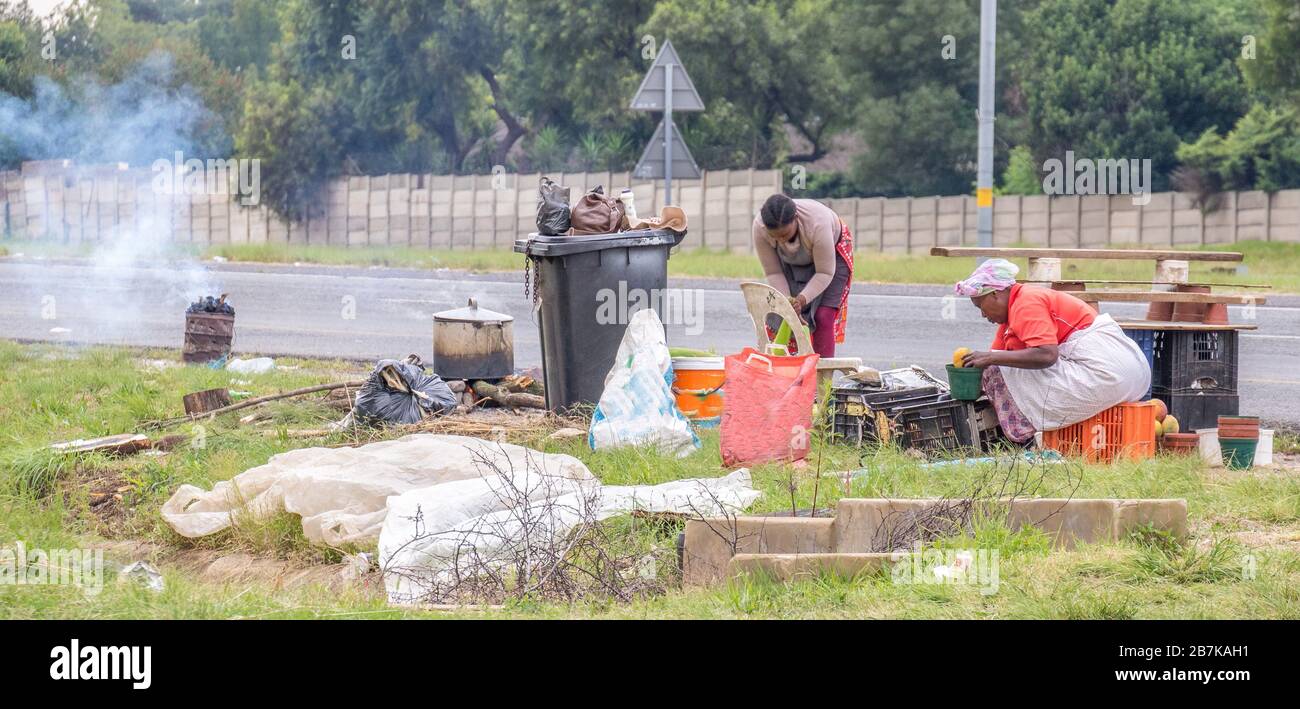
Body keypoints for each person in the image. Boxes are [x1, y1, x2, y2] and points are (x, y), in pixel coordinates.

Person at [955, 258, 1151, 443]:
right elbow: (999, 355)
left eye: (980, 305)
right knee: (995, 365)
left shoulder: (1026, 303)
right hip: (1135, 375)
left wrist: (988, 358)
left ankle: (1023, 439)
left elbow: (1047, 355)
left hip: (1108, 373)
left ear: (995, 294)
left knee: (994, 369)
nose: (982, 314)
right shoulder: (1017, 309)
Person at [753, 194, 854, 357]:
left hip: (832, 254)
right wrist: (788, 301)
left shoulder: (818, 224)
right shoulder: (760, 228)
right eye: (775, 237)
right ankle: (794, 372)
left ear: (796, 218)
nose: (781, 240)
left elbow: (824, 272)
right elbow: (774, 272)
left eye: (784, 235)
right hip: (791, 259)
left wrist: (802, 299)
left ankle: (822, 380)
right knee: (782, 315)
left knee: (823, 316)